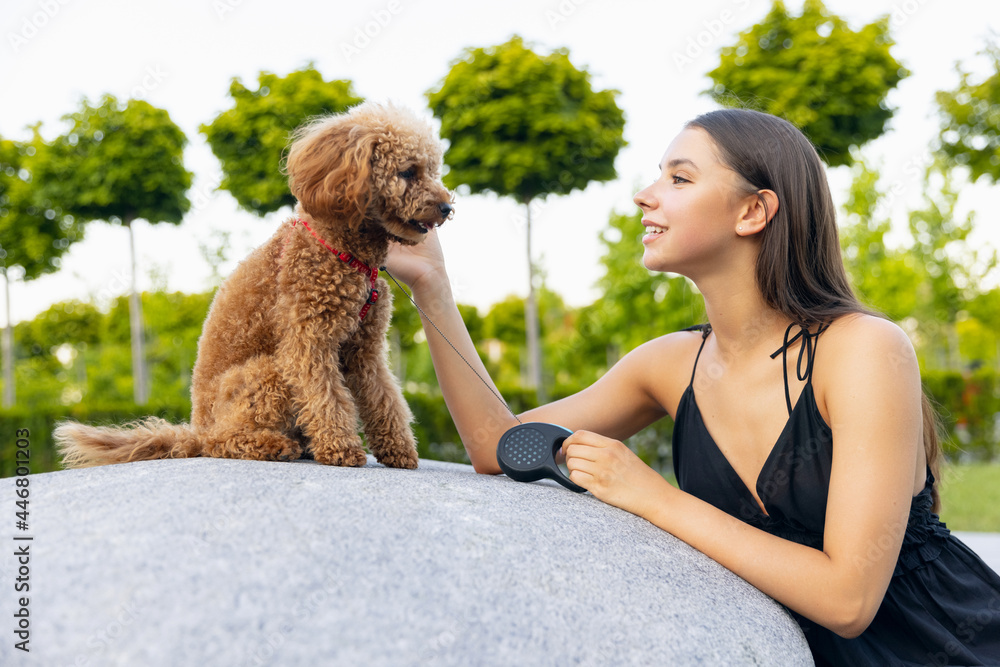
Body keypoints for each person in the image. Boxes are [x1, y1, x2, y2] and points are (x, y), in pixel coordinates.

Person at [385, 108, 1000, 665]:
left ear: (753, 211)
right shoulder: (669, 364)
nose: (643, 197)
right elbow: (500, 447)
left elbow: (847, 599)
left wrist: (651, 495)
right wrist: (432, 286)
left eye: (679, 179)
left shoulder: (862, 349)